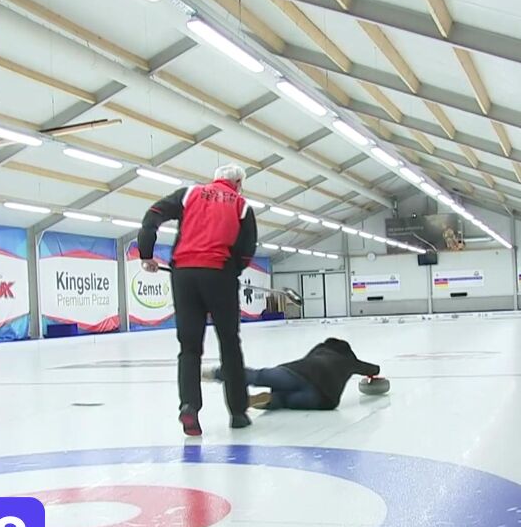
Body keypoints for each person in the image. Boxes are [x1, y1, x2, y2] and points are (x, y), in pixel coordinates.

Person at [138, 163, 258, 436]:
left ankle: (189, 406)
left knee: (189, 347)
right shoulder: (242, 206)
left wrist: (146, 252)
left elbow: (153, 214)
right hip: (219, 274)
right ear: (238, 183)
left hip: (184, 275)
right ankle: (238, 413)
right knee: (229, 343)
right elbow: (247, 250)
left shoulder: (189, 194)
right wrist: (232, 271)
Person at [204, 338, 380, 410]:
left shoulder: (320, 350)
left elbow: (305, 360)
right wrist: (373, 374)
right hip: (321, 398)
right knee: (284, 401)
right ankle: (272, 399)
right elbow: (372, 369)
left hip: (298, 372)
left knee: (259, 376)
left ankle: (215, 373)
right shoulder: (349, 360)